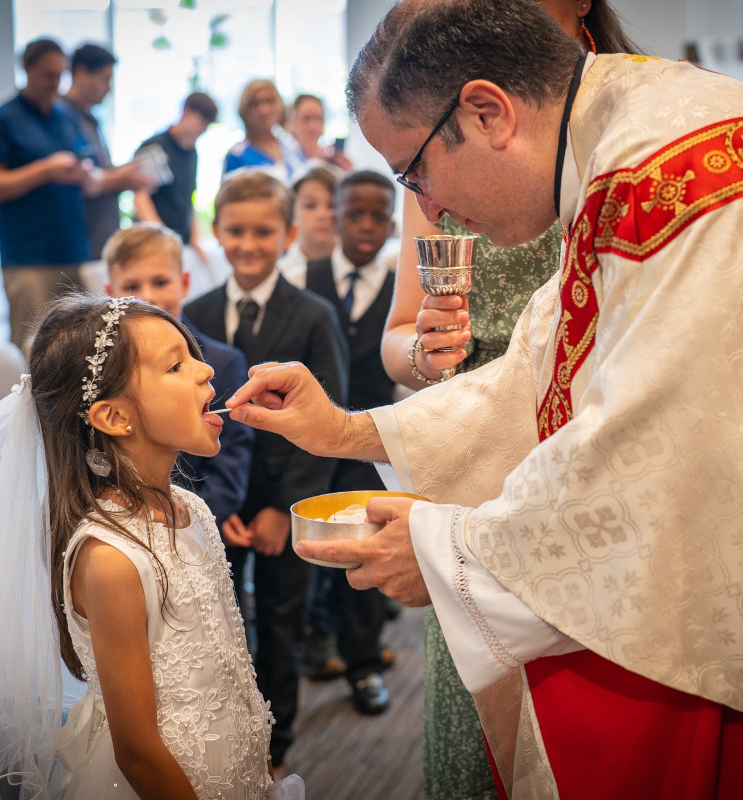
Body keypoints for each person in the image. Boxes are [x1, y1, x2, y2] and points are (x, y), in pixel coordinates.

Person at [219, 1, 743, 797]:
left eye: (415, 172)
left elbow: (653, 449)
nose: (426, 211)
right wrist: (349, 428)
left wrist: (446, 550)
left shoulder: (662, 169)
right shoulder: (616, 136)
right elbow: (540, 364)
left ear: (487, 111)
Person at [381, 2, 640, 797]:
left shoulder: (625, 119)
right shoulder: (440, 137)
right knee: (477, 706)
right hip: (471, 445)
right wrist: (425, 352)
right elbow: (395, 341)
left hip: (595, 429)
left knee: (592, 704)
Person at [0, 292, 306, 799]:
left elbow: (227, 660)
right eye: (176, 366)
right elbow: (137, 750)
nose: (205, 371)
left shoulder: (191, 508)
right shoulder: (111, 559)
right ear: (113, 418)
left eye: (193, 356)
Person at [183, 170, 348, 777]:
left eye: (263, 231)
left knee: (281, 617)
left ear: (288, 235)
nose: (248, 243)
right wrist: (211, 503)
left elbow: (328, 416)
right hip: (213, 497)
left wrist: (286, 505)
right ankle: (223, 730)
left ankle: (275, 743)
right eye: (235, 230)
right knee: (219, 617)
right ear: (215, 232)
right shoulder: (193, 313)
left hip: (281, 497)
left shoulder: (312, 314)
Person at [283, 169, 398, 715]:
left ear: (393, 222)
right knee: (302, 549)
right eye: (355, 214)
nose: (367, 226)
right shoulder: (302, 277)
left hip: (370, 441)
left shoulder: (403, 281)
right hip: (307, 442)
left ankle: (365, 664)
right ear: (335, 216)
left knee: (364, 546)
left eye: (379, 216)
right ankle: (312, 642)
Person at [103, 222, 253, 533]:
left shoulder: (223, 363)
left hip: (200, 525)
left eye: (160, 282)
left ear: (184, 283)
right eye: (131, 286)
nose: (146, 297)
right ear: (109, 293)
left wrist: (190, 521)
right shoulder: (102, 369)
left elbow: (230, 463)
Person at [0, 37, 100, 353]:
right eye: (48, 75)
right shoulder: (1, 121)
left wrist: (83, 172)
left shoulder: (66, 116)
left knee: (78, 346)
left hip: (73, 249)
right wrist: (43, 170)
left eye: (61, 75)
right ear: (27, 69)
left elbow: (85, 165)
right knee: (33, 349)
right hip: (28, 257)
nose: (56, 84)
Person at [63, 43, 157, 261]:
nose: (109, 88)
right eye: (105, 79)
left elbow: (100, 171)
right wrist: (120, 177)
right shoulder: (63, 118)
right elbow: (79, 178)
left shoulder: (91, 120)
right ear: (81, 73)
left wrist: (126, 174)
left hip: (99, 240)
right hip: (78, 245)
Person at [133, 91, 218, 261]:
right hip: (153, 245)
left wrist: (195, 239)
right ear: (186, 111)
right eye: (200, 122)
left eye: (206, 126)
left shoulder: (192, 152)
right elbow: (141, 198)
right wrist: (162, 236)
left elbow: (189, 199)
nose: (201, 130)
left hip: (180, 245)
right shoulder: (154, 146)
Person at [222, 80, 304, 182]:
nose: (264, 110)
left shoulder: (291, 146)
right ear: (245, 110)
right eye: (255, 104)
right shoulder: (237, 155)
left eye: (269, 101)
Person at [277, 163, 338, 277]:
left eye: (332, 205)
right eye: (310, 205)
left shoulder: (357, 269)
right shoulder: (280, 274)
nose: (322, 215)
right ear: (292, 210)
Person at [288, 94, 352, 172]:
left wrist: (348, 173)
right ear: (292, 122)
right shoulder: (283, 154)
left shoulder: (329, 158)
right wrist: (316, 163)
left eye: (319, 119)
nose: (313, 127)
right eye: (306, 119)